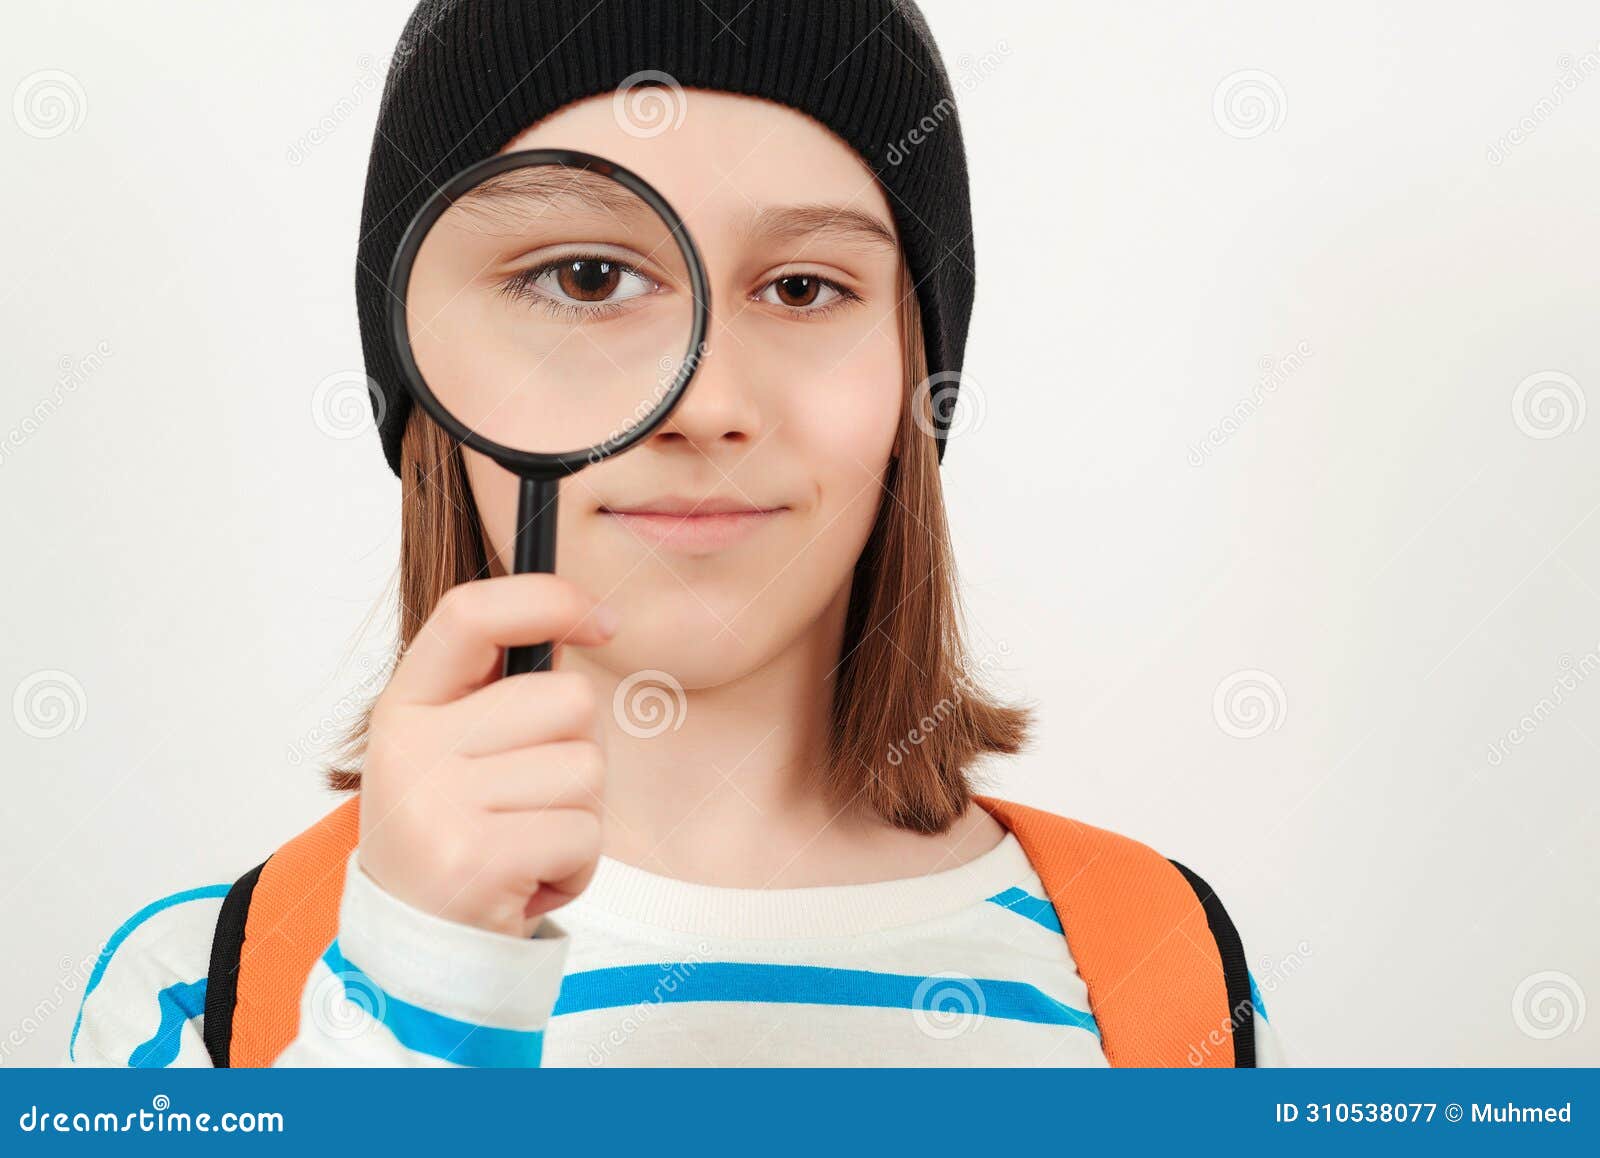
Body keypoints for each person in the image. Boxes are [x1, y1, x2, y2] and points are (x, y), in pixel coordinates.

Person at [68, 0, 1285, 1068]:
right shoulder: (209, 999)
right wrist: (413, 994)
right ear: (421, 380)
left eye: (805, 288)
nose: (706, 404)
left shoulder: (1170, 981)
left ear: (919, 380)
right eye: (587, 279)